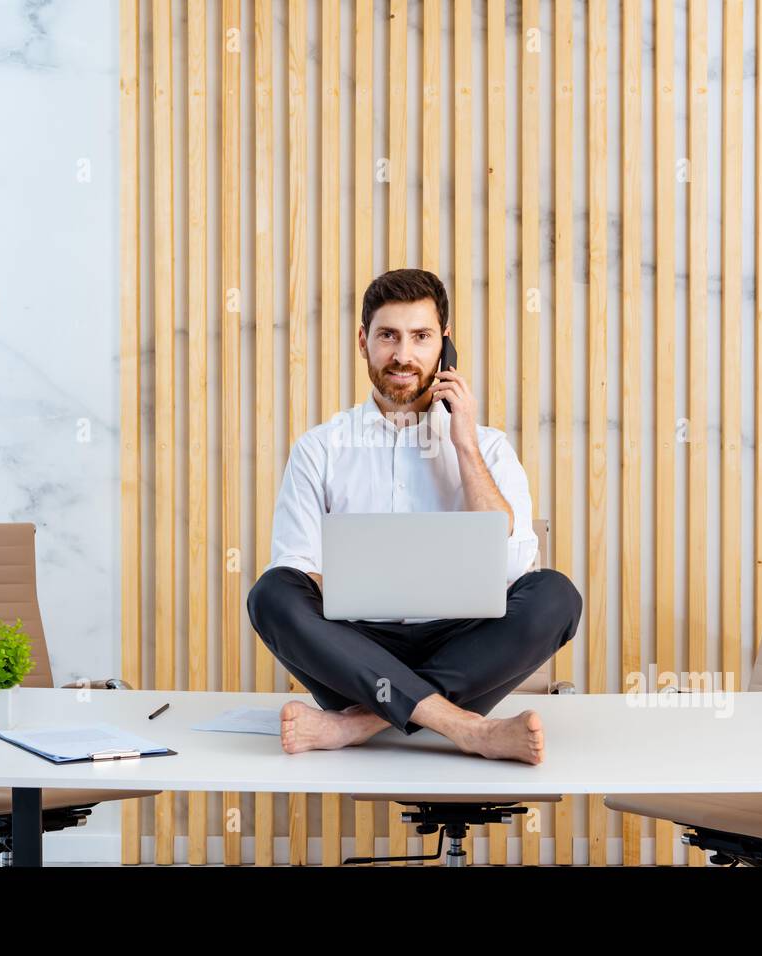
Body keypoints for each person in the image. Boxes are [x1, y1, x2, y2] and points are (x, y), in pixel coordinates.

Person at [246, 268, 582, 764]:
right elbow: (296, 565)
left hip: (464, 649)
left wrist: (463, 443)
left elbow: (513, 567)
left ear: (444, 346)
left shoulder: (487, 445)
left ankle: (356, 724)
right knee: (271, 594)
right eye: (388, 336)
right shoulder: (320, 448)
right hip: (355, 652)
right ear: (363, 342)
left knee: (556, 595)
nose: (403, 355)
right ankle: (466, 728)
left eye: (421, 337)